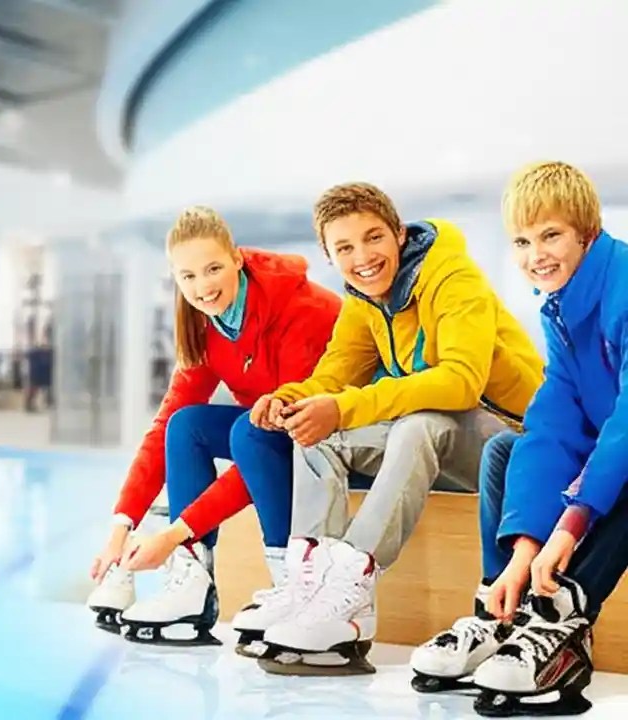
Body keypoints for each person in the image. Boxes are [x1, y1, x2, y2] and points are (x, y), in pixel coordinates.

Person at [242, 183, 544, 675]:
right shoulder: (365, 299)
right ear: (329, 254)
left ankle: (354, 586)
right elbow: (334, 373)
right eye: (344, 247)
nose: (362, 257)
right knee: (316, 433)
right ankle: (310, 584)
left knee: (417, 424)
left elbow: (461, 383)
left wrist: (344, 407)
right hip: (438, 443)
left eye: (373, 238)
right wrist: (290, 399)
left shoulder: (453, 278)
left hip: (512, 446)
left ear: (399, 235)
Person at [411, 161, 628, 717]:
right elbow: (553, 425)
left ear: (586, 232)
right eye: (523, 240)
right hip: (612, 445)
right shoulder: (561, 309)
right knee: (505, 451)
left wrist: (571, 523)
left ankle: (563, 620)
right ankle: (501, 608)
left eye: (551, 234)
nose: (537, 254)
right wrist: (523, 553)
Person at [85, 205, 341, 646]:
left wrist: (173, 531)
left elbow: (280, 433)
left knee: (251, 431)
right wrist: (120, 527)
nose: (202, 287)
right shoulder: (204, 324)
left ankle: (291, 583)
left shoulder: (302, 309)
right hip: (271, 434)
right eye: (187, 277)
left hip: (333, 431)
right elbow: (165, 422)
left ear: (237, 258)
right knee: (186, 426)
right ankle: (191, 582)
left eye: (213, 269)